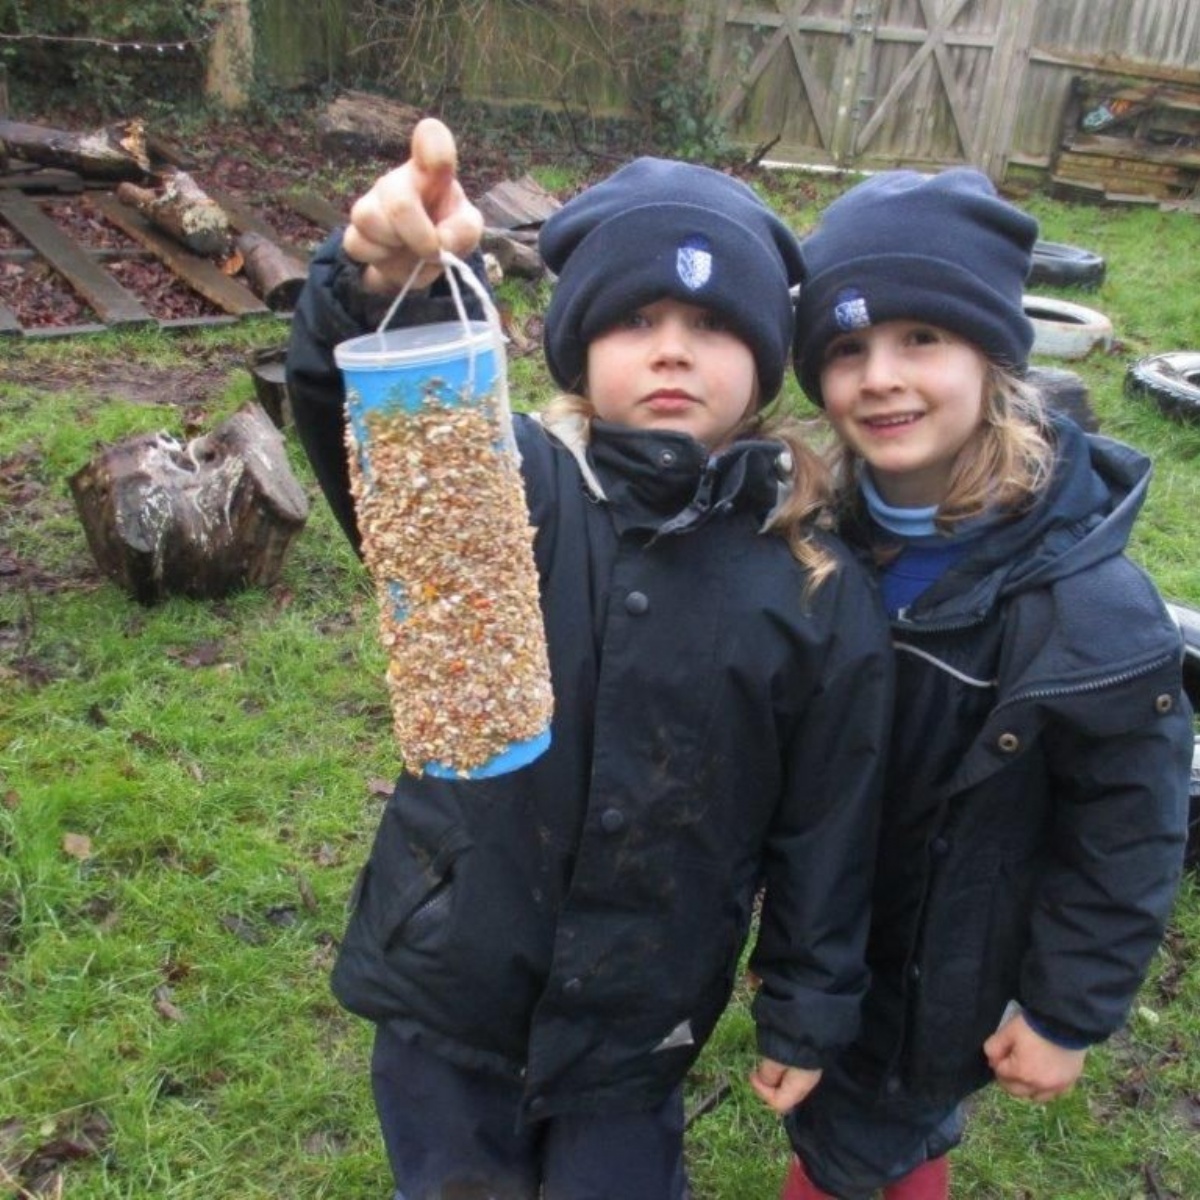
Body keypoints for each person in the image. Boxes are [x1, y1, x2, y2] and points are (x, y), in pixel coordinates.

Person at [285, 118, 893, 1199]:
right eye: (637, 317)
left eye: (711, 322)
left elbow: (827, 823)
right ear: (578, 344)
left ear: (760, 360)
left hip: (639, 1016)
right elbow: (369, 424)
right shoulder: (505, 483)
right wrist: (384, 281)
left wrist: (806, 999)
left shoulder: (814, 587)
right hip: (452, 976)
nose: (671, 347)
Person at [778, 167, 1194, 1200]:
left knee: (871, 1137)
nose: (880, 376)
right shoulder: (812, 541)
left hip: (952, 951)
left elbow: (1130, 830)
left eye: (922, 339)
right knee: (853, 1115)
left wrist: (1065, 1011)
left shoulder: (1088, 609)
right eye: (847, 348)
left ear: (993, 355)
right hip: (833, 927)